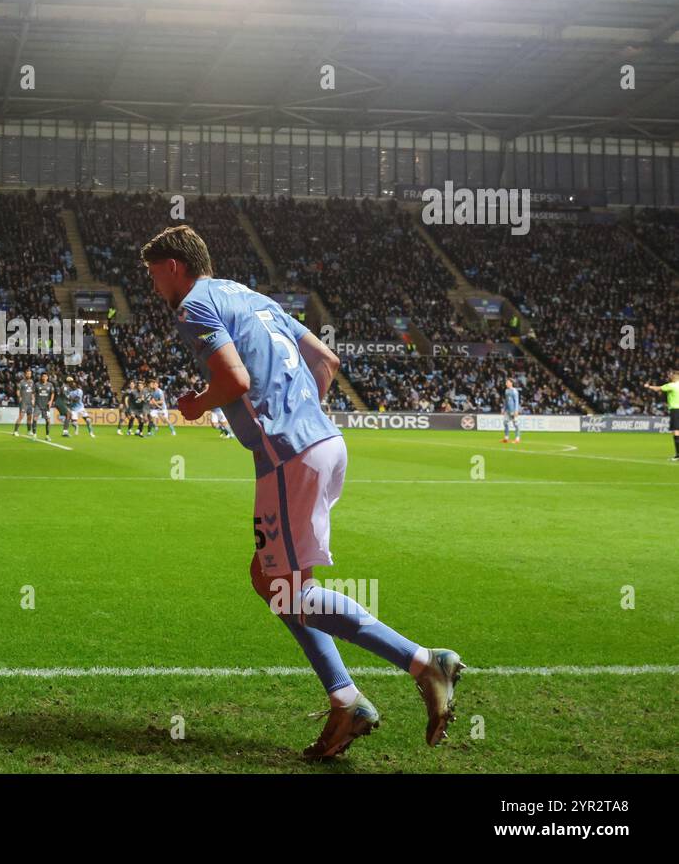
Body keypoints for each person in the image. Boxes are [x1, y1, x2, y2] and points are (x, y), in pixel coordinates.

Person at [141, 224, 464, 760]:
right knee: (270, 579)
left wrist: (198, 404)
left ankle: (424, 663)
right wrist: (305, 416)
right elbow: (327, 362)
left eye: (154, 275)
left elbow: (236, 381)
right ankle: (345, 700)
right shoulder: (250, 296)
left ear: (175, 266)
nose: (154, 286)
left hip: (289, 457)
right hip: (323, 445)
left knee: (286, 590)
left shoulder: (194, 305)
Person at [643, 369, 679, 460]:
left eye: (671, 375)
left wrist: (648, 386)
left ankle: (678, 455)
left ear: (675, 376)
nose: (669, 376)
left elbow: (657, 389)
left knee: (676, 431)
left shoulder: (672, 385)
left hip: (675, 410)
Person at [501, 378, 521, 444]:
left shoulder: (514, 391)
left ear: (511, 383)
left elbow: (516, 401)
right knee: (505, 422)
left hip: (513, 410)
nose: (506, 383)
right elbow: (506, 401)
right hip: (507, 410)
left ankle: (517, 438)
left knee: (515, 423)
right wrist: (504, 409)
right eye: (506, 382)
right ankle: (506, 438)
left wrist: (516, 411)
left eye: (507, 382)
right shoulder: (506, 391)